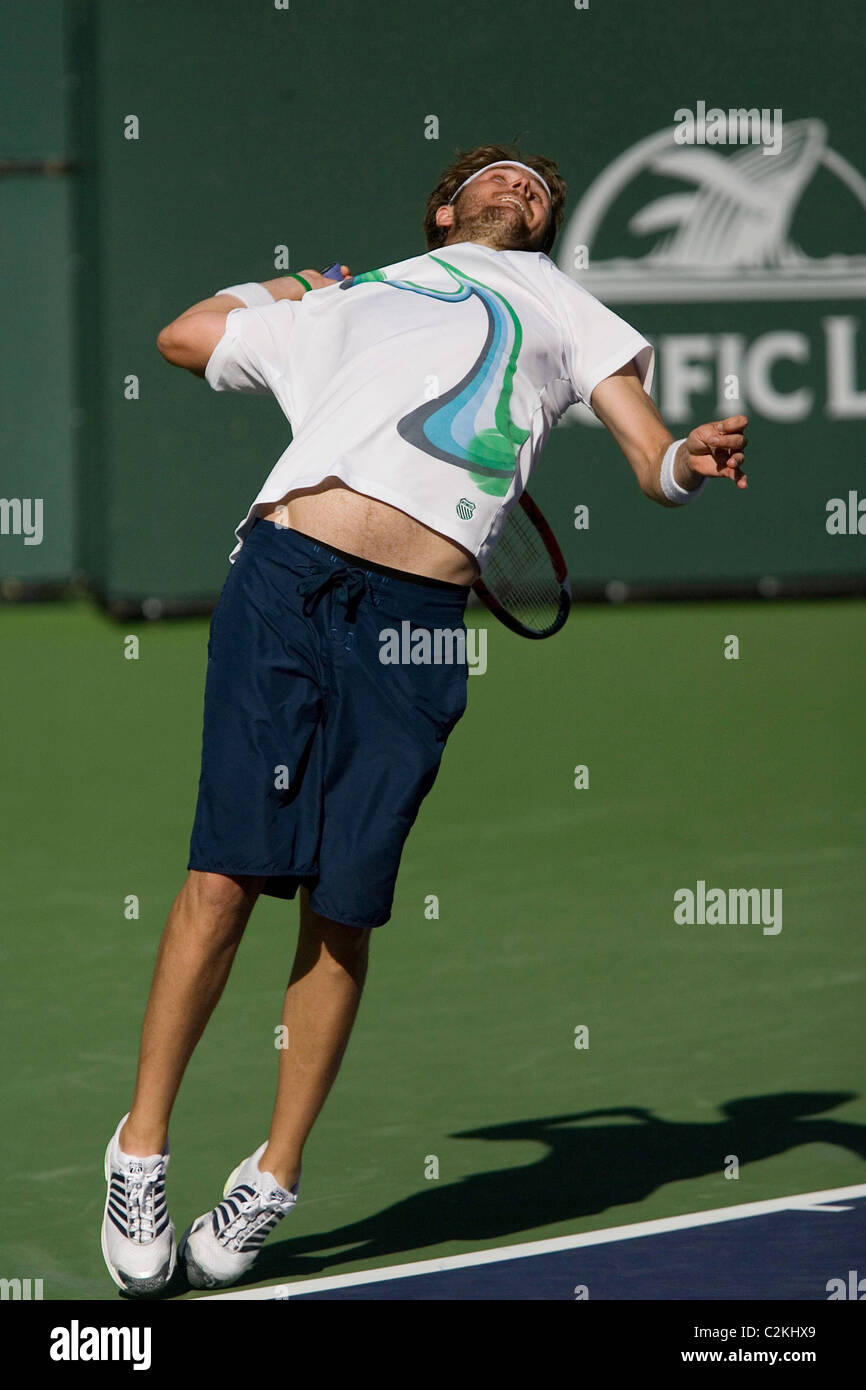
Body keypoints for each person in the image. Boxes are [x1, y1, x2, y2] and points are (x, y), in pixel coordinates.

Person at [100, 142, 749, 1296]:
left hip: (416, 624)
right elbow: (185, 335)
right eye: (497, 177)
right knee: (223, 877)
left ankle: (273, 1173)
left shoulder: (567, 309)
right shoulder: (355, 298)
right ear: (445, 207)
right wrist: (311, 284)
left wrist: (687, 462)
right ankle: (140, 1146)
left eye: (537, 190)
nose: (521, 189)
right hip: (288, 578)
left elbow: (650, 455)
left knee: (344, 908)